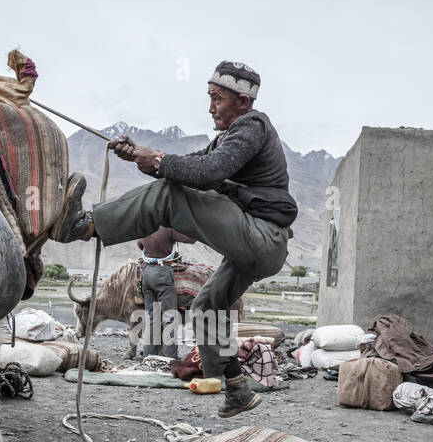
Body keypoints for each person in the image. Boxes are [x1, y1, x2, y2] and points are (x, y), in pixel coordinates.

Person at [53, 61, 296, 416]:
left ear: (243, 102)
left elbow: (207, 172)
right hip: (259, 248)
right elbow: (191, 164)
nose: (210, 106)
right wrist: (142, 155)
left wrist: (160, 162)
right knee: (206, 306)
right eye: (210, 97)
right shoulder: (229, 139)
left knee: (168, 196)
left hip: (262, 236)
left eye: (217, 98)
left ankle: (86, 226)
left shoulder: (252, 126)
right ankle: (237, 390)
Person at [136, 226, 194, 358]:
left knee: (152, 317)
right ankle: (169, 358)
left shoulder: (146, 226)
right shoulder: (168, 228)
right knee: (169, 317)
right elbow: (191, 239)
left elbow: (140, 245)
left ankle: (148, 356)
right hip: (162, 273)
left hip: (147, 273)